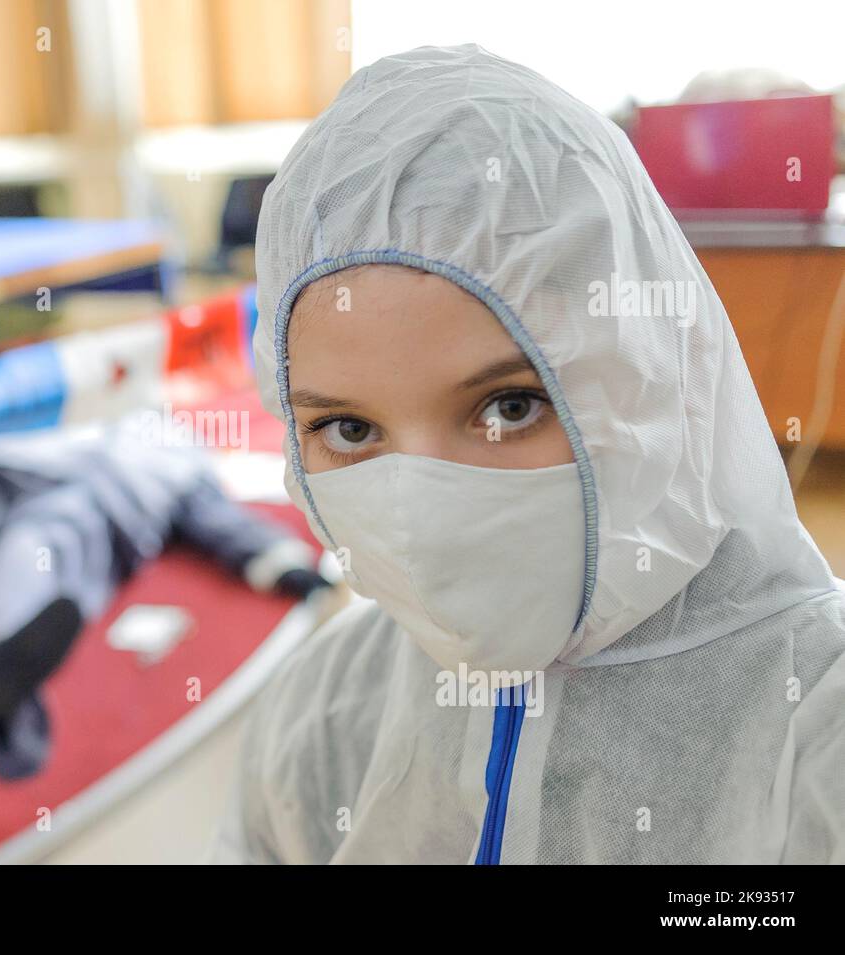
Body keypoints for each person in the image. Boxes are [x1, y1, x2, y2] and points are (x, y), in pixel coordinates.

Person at [210, 44, 845, 863]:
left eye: (508, 407)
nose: (423, 510)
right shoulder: (323, 706)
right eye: (351, 429)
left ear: (646, 374)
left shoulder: (818, 722)